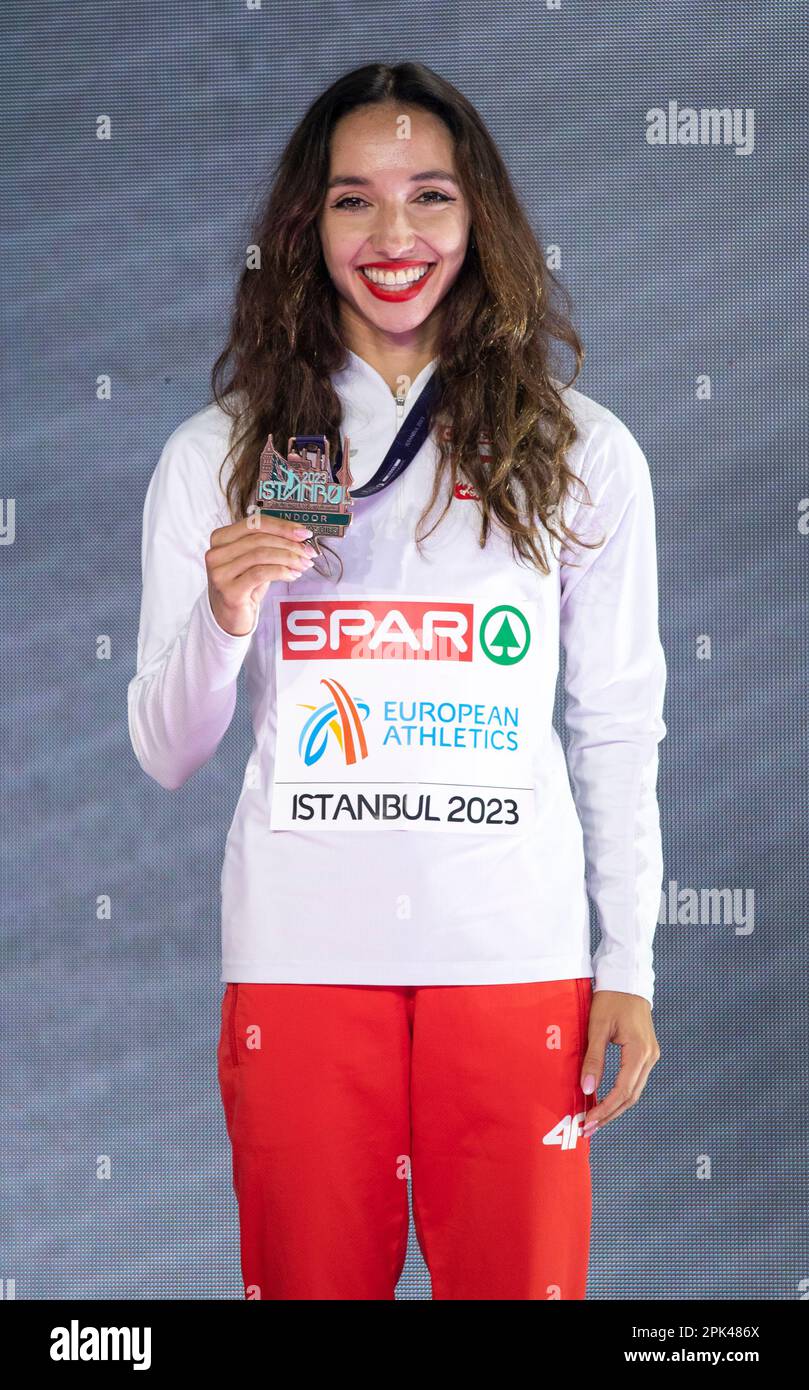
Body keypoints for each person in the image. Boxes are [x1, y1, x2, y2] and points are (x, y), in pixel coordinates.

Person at [128, 61, 666, 1301]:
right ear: (303, 229)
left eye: (428, 196)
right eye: (352, 202)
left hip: (516, 955)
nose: (393, 235)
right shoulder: (221, 453)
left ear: (477, 217)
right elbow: (165, 748)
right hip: (300, 959)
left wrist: (627, 963)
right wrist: (222, 614)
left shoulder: (580, 451)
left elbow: (615, 725)